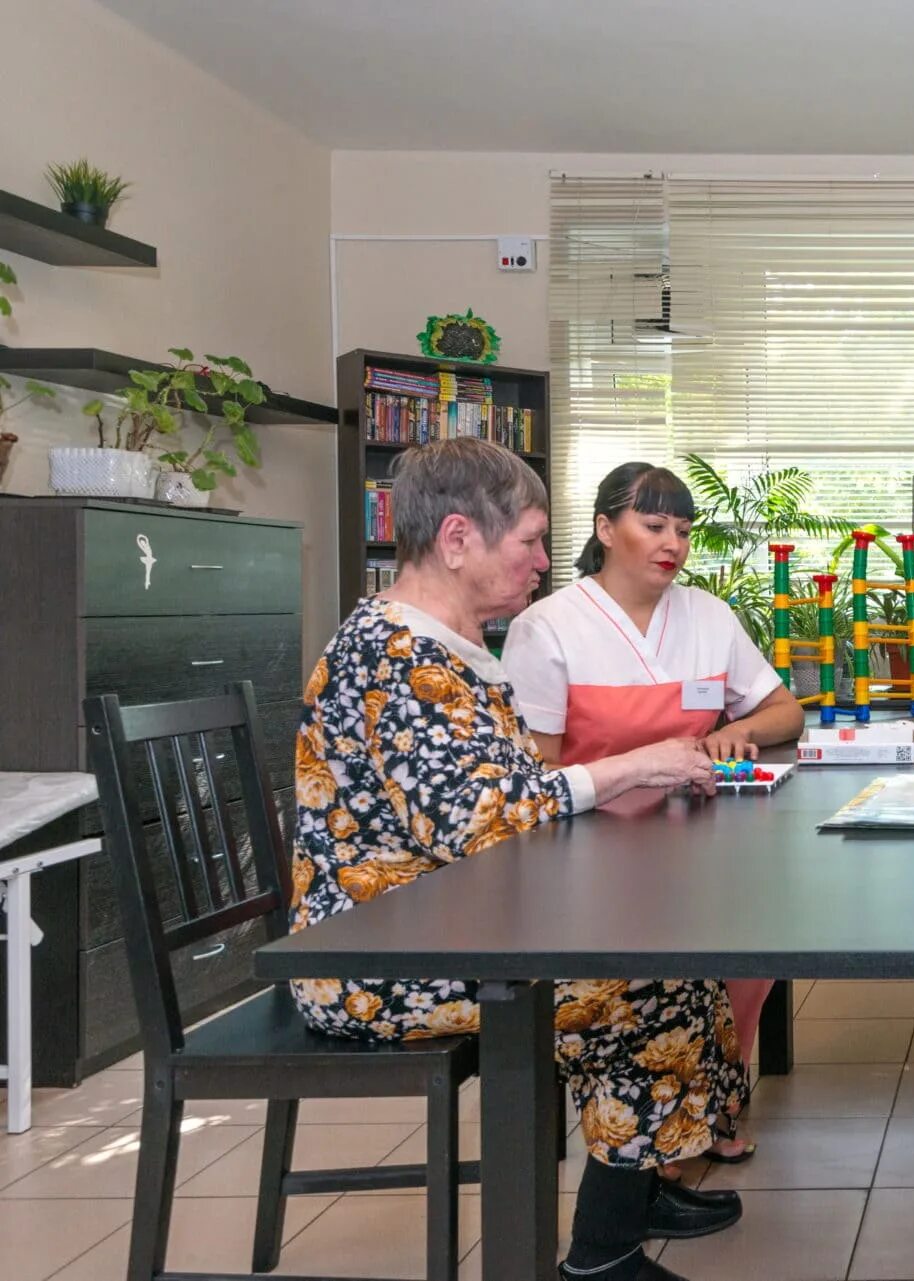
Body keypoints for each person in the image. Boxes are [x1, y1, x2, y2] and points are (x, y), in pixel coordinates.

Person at [290, 439, 739, 1281]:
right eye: (530, 540)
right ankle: (604, 1255)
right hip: (376, 956)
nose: (544, 561)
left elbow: (504, 795)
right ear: (458, 538)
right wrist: (634, 765)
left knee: (677, 961)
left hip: (446, 922)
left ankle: (633, 1185)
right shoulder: (396, 653)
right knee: (649, 981)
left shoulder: (451, 646)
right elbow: (480, 822)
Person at [502, 460, 805, 1165]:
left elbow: (785, 709)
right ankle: (661, 1131)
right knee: (670, 961)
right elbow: (537, 775)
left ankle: (713, 1108)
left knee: (750, 948)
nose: (673, 541)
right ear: (606, 528)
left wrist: (742, 730)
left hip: (694, 844)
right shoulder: (547, 628)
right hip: (586, 855)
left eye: (684, 529)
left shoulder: (707, 615)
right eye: (654, 525)